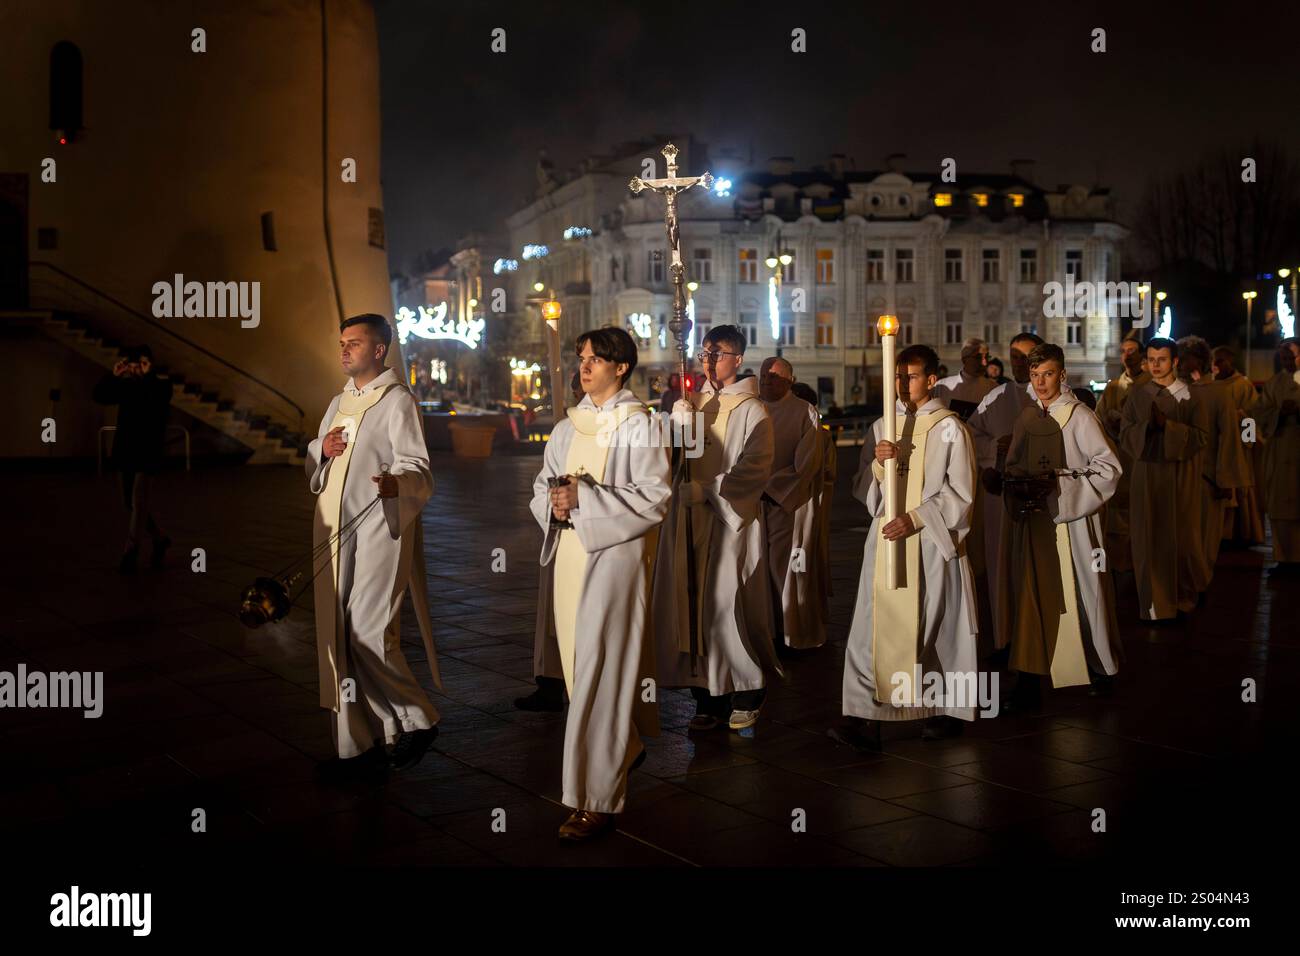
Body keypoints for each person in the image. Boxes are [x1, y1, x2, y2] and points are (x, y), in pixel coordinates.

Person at [530, 327, 670, 841]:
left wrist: (584, 499)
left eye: (595, 360)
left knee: (600, 678)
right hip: (570, 561)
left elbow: (654, 498)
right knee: (579, 676)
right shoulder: (568, 428)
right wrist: (554, 502)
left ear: (622, 368)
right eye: (581, 358)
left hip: (614, 564)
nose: (584, 367)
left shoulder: (639, 426)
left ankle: (596, 800)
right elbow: (542, 483)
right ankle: (625, 747)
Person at [306, 313, 441, 779]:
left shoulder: (397, 401)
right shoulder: (339, 401)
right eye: (342, 342)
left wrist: (394, 483)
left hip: (380, 532)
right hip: (335, 535)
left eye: (355, 343)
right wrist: (320, 450)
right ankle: (358, 748)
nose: (344, 350)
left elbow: (418, 467)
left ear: (380, 349)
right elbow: (316, 455)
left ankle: (417, 719)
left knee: (368, 633)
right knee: (338, 641)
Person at [830, 344, 979, 750]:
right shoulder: (883, 426)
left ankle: (941, 710)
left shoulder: (951, 427)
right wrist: (879, 466)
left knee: (930, 627)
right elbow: (863, 488)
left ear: (931, 379)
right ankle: (865, 716)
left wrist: (915, 518)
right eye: (897, 376)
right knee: (869, 628)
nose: (901, 384)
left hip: (928, 543)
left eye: (910, 376)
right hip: (885, 543)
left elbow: (962, 494)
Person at [653, 325, 779, 733]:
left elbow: (754, 469)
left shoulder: (752, 411)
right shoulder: (694, 403)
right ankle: (707, 696)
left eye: (718, 353)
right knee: (694, 605)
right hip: (689, 518)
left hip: (729, 521)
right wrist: (676, 428)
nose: (708, 360)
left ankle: (747, 688)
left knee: (728, 604)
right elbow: (675, 459)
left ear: (738, 359)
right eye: (705, 351)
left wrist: (706, 489)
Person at [995, 343, 1122, 709]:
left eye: (1047, 374)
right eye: (1035, 376)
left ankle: (1100, 667)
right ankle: (1031, 676)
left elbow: (1109, 468)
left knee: (1083, 591)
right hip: (1036, 523)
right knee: (1033, 597)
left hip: (1075, 524)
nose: (1041, 383)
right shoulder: (1027, 418)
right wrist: (1015, 483)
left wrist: (1060, 483)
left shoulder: (1079, 416)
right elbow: (1015, 466)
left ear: (1062, 375)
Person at [1119, 338, 1209, 621]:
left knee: (1180, 538)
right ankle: (1153, 603)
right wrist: (1147, 428)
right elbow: (1125, 434)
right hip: (1146, 476)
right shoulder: (1138, 394)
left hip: (1179, 478)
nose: (1156, 366)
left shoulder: (1189, 395)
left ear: (1175, 362)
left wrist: (1167, 427)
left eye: (1162, 360)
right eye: (1152, 359)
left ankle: (1182, 597)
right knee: (1148, 538)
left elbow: (1201, 436)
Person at [965, 332, 1043, 656]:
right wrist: (992, 448)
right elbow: (970, 432)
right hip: (1001, 495)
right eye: (1014, 357)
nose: (1019, 363)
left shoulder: (1052, 396)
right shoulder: (998, 396)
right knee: (1001, 566)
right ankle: (1004, 635)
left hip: (1039, 495)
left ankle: (1040, 636)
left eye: (1026, 357)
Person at [759, 357, 825, 651]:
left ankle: (790, 633)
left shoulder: (804, 412)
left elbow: (806, 464)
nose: (766, 381)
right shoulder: (753, 409)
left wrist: (771, 488)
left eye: (773, 377)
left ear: (789, 381)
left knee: (786, 569)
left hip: (789, 503)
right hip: (755, 502)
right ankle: (766, 630)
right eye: (763, 376)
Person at [93, 345, 174, 574]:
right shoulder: (126, 386)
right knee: (129, 502)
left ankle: (131, 550)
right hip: (127, 451)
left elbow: (160, 398)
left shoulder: (161, 384)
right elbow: (99, 395)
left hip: (148, 452)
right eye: (133, 365)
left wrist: (148, 375)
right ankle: (159, 538)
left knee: (138, 501)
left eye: (140, 364)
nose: (135, 369)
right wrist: (113, 375)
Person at [1179, 335, 1249, 582]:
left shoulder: (1220, 392)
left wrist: (1226, 479)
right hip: (1181, 478)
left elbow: (1229, 437)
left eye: (1184, 359)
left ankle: (1201, 582)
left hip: (1210, 480)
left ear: (1199, 360)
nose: (1179, 364)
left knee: (1206, 538)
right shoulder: (1178, 391)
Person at [1097, 333, 1149, 573]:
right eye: (1123, 351)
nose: (1127, 356)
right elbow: (1099, 416)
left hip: (1141, 457)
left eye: (1132, 351)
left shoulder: (1150, 386)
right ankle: (1120, 566)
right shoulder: (1114, 386)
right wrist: (1110, 422)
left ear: (1141, 356)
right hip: (1119, 454)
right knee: (1118, 516)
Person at [1255, 338, 1300, 572]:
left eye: (1291, 357)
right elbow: (1259, 414)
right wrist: (1278, 414)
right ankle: (1284, 558)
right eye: (1283, 358)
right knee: (1281, 506)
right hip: (1280, 449)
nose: (1287, 362)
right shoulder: (1274, 383)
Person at [1213, 346, 1264, 547]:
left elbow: (1253, 415)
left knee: (1240, 488)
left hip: (1238, 446)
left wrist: (1247, 441)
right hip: (1217, 446)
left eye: (1221, 361)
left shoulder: (1242, 385)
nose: (1216, 366)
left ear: (1230, 362)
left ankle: (1241, 532)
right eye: (1214, 362)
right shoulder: (1210, 385)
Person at [793, 381, 837, 608]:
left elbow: (828, 472)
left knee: (804, 558)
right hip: (803, 503)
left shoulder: (822, 436)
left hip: (809, 503)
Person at [933, 337, 996, 418]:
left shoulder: (994, 389)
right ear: (964, 359)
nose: (984, 363)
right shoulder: (941, 387)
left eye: (987, 357)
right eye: (978, 357)